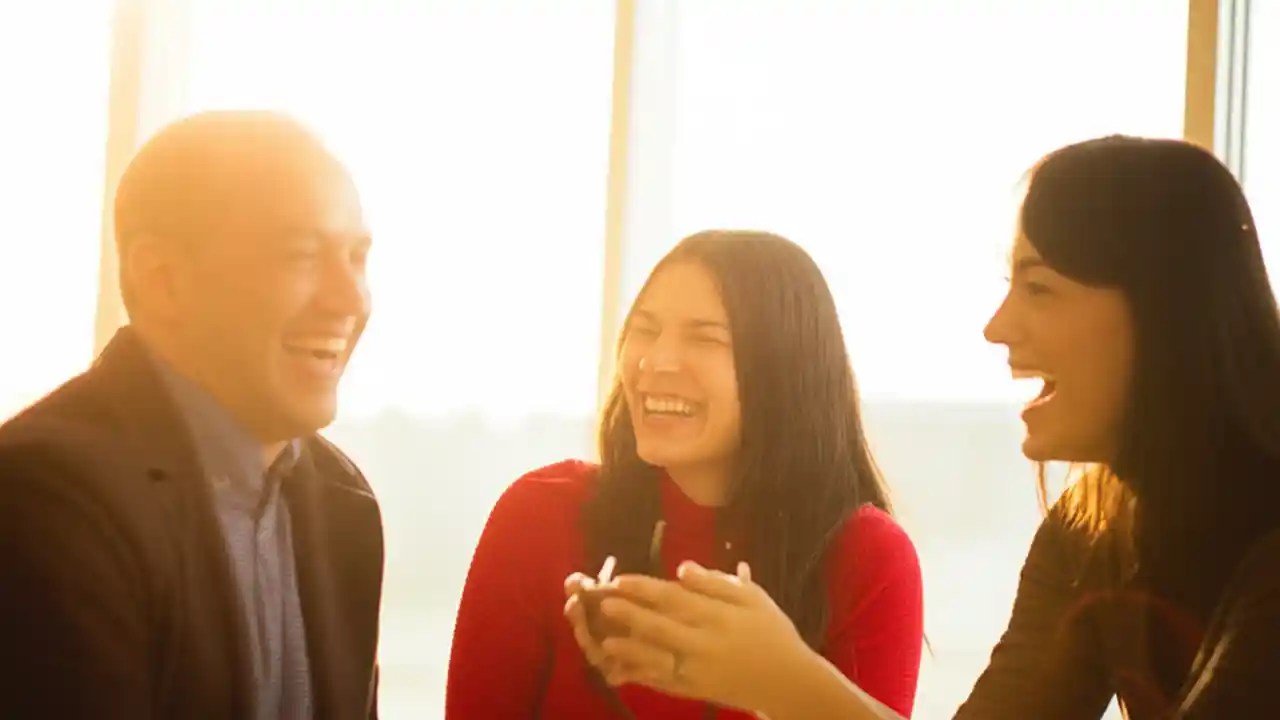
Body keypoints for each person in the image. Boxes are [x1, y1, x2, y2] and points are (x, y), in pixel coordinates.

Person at [578, 136, 1280, 719]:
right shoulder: (1088, 535)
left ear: (1165, 316)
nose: (997, 327)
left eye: (1038, 288)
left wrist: (788, 683)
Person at [0, 111, 384, 719]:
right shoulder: (44, 497)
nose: (350, 299)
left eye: (357, 258)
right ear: (164, 281)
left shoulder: (344, 503)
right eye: (302, 255)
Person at [445, 230, 923, 718]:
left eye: (706, 337)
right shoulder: (540, 515)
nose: (656, 361)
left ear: (787, 367)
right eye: (646, 330)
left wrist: (779, 679)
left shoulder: (866, 558)